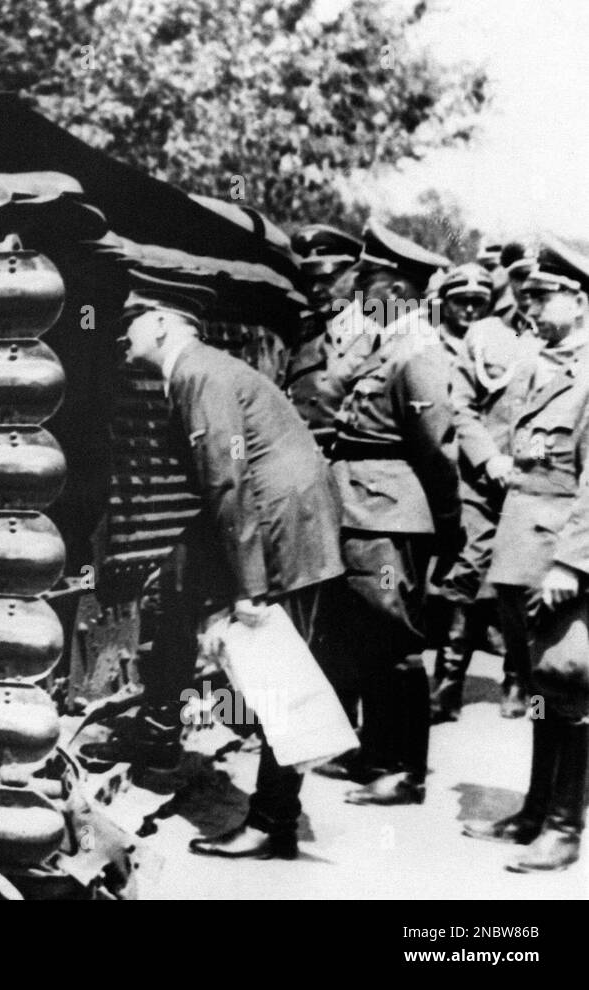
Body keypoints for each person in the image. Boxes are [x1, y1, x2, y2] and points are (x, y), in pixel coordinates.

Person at [122, 275, 345, 860]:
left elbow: (227, 480)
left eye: (131, 321)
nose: (122, 334)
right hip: (282, 521)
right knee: (182, 598)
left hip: (279, 532)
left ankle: (274, 823)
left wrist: (249, 589)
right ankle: (165, 737)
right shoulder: (199, 372)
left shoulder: (201, 375)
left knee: (276, 673)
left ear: (163, 322)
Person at [324, 221, 463, 805]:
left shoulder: (416, 353)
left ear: (402, 289)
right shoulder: (386, 345)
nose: (360, 291)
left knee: (394, 642)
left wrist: (448, 528)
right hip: (363, 510)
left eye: (372, 282)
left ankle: (406, 771)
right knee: (365, 639)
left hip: (390, 517)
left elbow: (438, 449)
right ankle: (376, 753)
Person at [462, 239, 589, 872]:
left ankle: (565, 828)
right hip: (521, 547)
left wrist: (573, 561)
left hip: (562, 557)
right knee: (542, 683)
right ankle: (536, 810)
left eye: (541, 296)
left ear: (580, 301)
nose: (528, 307)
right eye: (527, 295)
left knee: (569, 682)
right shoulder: (538, 365)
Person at [430, 264, 542, 720]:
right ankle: (449, 682)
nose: (526, 293)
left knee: (526, 579)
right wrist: (487, 458)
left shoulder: (566, 339)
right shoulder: (484, 334)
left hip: (537, 482)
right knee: (466, 572)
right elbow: (462, 405)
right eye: (520, 283)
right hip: (481, 480)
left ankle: (519, 678)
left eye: (538, 286)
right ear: (509, 284)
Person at [284, 224, 368, 454]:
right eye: (309, 280)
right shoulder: (303, 331)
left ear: (354, 278)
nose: (315, 289)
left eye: (326, 279)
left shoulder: (375, 333)